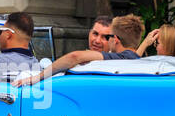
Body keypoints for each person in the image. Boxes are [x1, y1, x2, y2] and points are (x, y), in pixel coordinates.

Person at [17, 14, 145, 85]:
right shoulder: (133, 57)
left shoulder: (118, 59)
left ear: (115, 39)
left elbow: (74, 57)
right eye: (95, 34)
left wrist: (36, 78)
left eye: (106, 37)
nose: (97, 40)